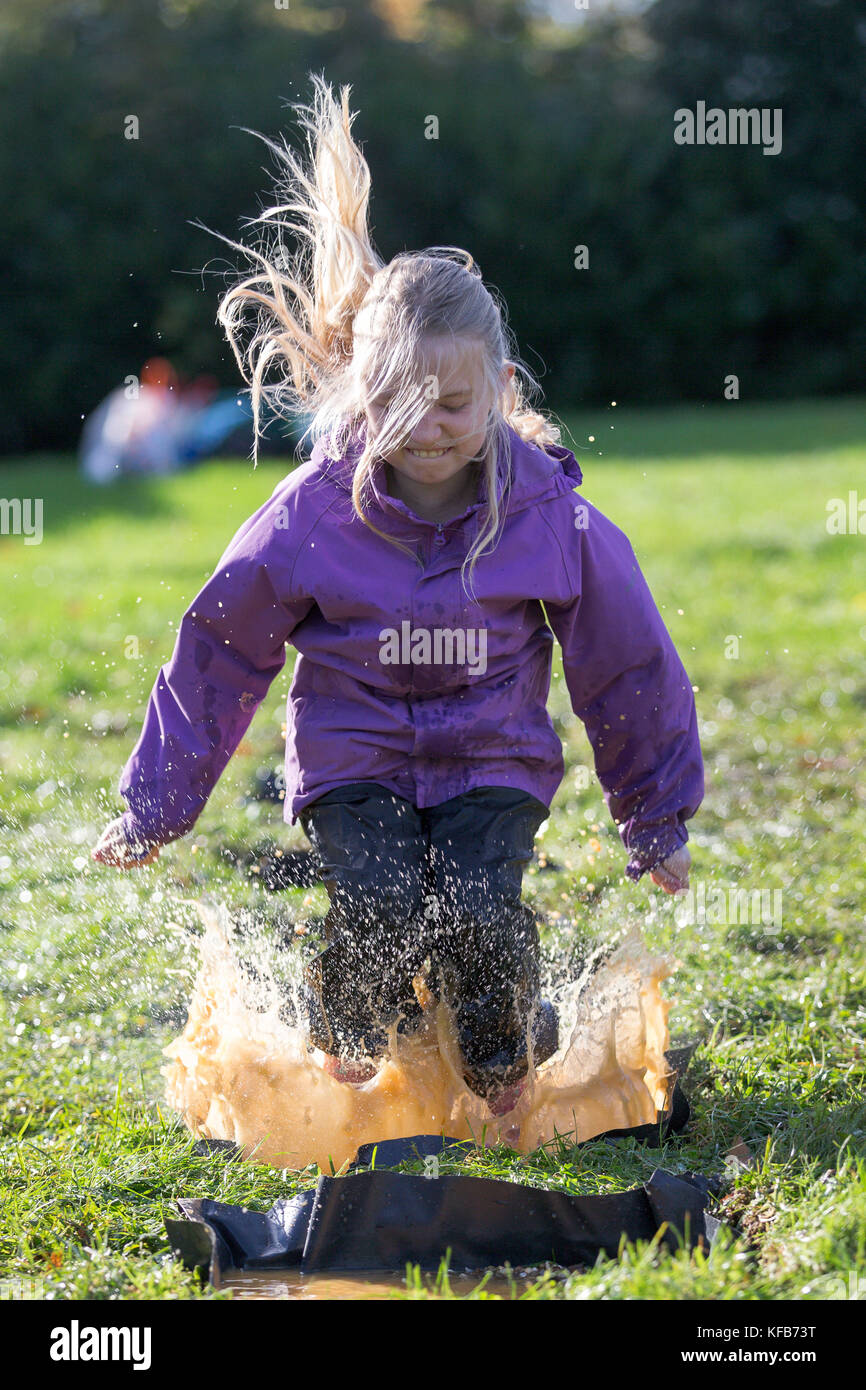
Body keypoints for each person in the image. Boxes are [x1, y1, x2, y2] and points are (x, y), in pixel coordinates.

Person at [92, 75, 703, 1117]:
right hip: (353, 756)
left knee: (474, 914)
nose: (426, 425)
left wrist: (653, 812)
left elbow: (625, 658)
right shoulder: (310, 514)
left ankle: (505, 1059)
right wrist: (156, 801)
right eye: (399, 400)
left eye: (454, 402)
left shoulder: (547, 514)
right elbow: (219, 650)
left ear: (497, 383)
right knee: (375, 901)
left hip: (491, 761)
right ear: (359, 388)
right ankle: (346, 1038)